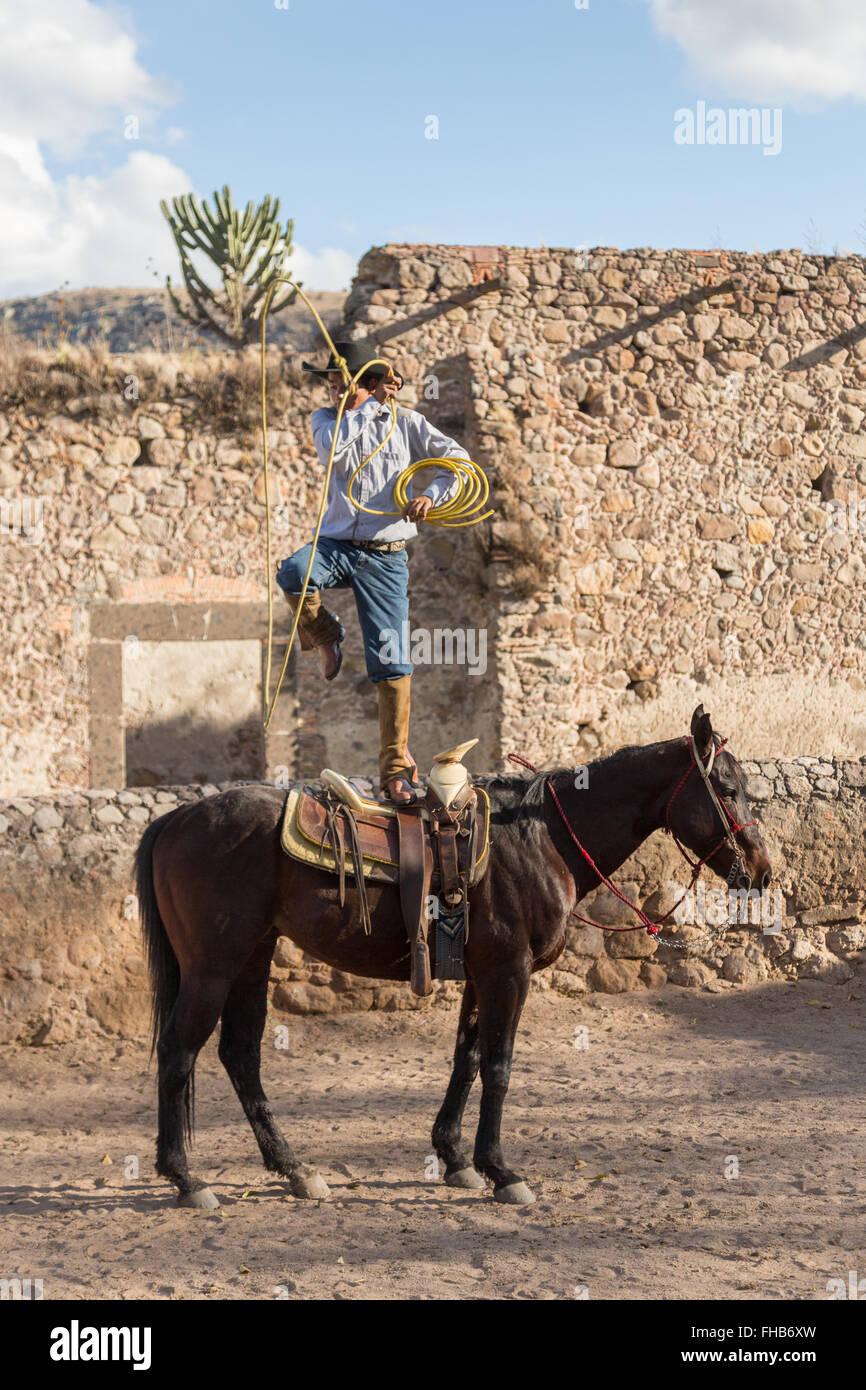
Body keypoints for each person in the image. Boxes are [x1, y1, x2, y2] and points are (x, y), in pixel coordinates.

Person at [276, 341, 470, 804]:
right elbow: (337, 452)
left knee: (393, 661)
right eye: (329, 381)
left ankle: (396, 771)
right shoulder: (326, 421)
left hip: (386, 554)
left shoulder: (406, 423)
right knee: (295, 572)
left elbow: (458, 463)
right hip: (338, 543)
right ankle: (325, 634)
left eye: (340, 380)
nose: (332, 388)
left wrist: (431, 496)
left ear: (364, 382)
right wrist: (367, 407)